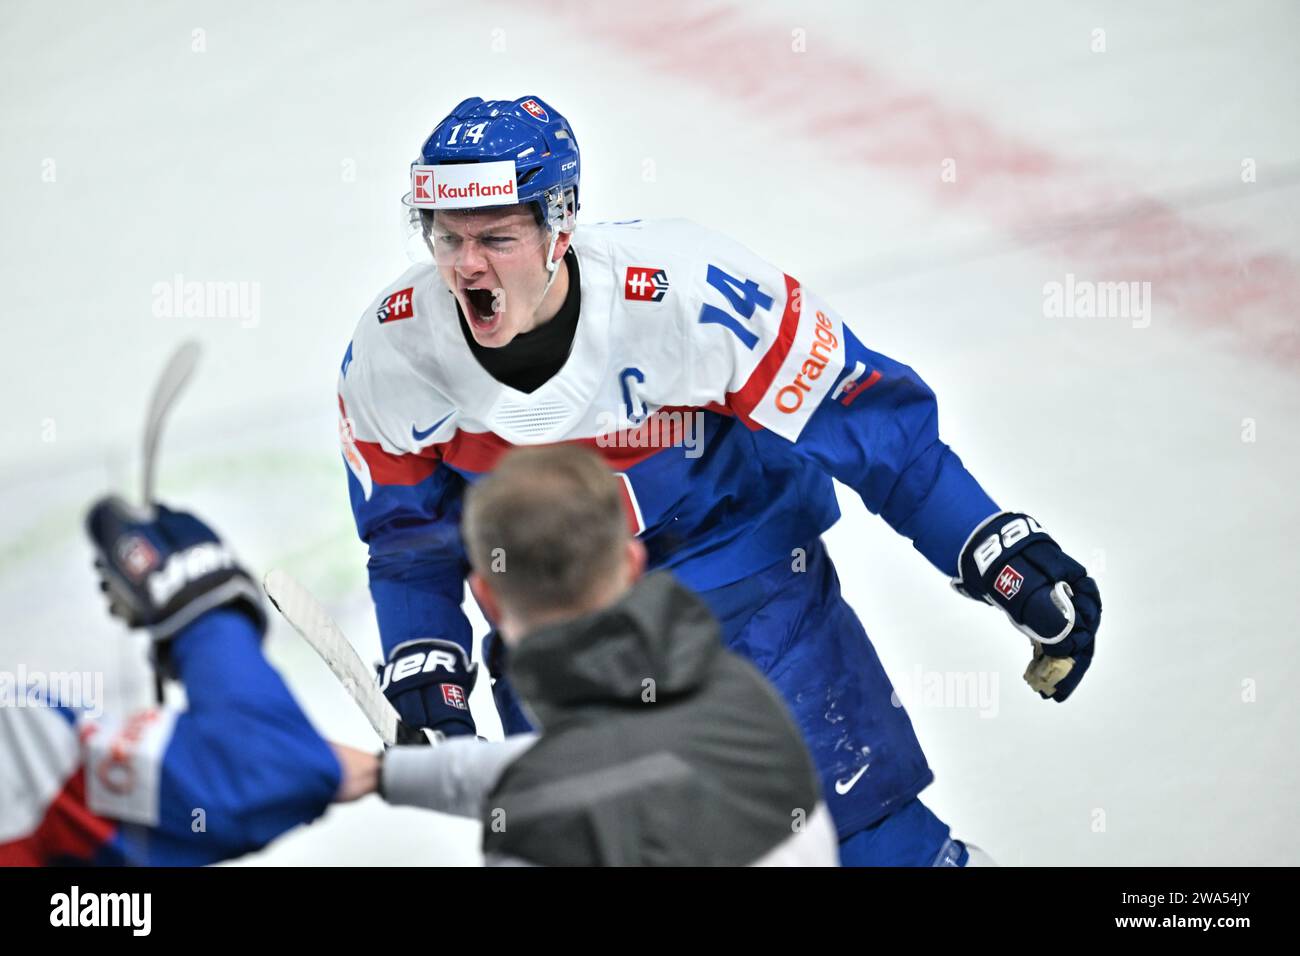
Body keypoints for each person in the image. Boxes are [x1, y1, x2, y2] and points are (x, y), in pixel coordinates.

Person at [336, 95, 1102, 866]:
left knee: (864, 841)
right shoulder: (393, 349)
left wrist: (990, 546)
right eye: (447, 236)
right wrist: (428, 652)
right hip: (554, 624)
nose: (465, 265)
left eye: (496, 238)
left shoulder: (689, 292)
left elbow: (869, 425)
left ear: (559, 226)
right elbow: (409, 537)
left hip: (744, 583)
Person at [373, 444, 837, 866]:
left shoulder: (542, 828)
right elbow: (591, 759)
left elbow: (569, 770)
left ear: (487, 598)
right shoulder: (745, 698)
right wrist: (388, 774)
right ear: (633, 562)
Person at [0, 496, 373, 865]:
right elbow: (263, 770)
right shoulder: (19, 750)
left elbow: (287, 767)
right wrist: (198, 609)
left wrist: (402, 773)